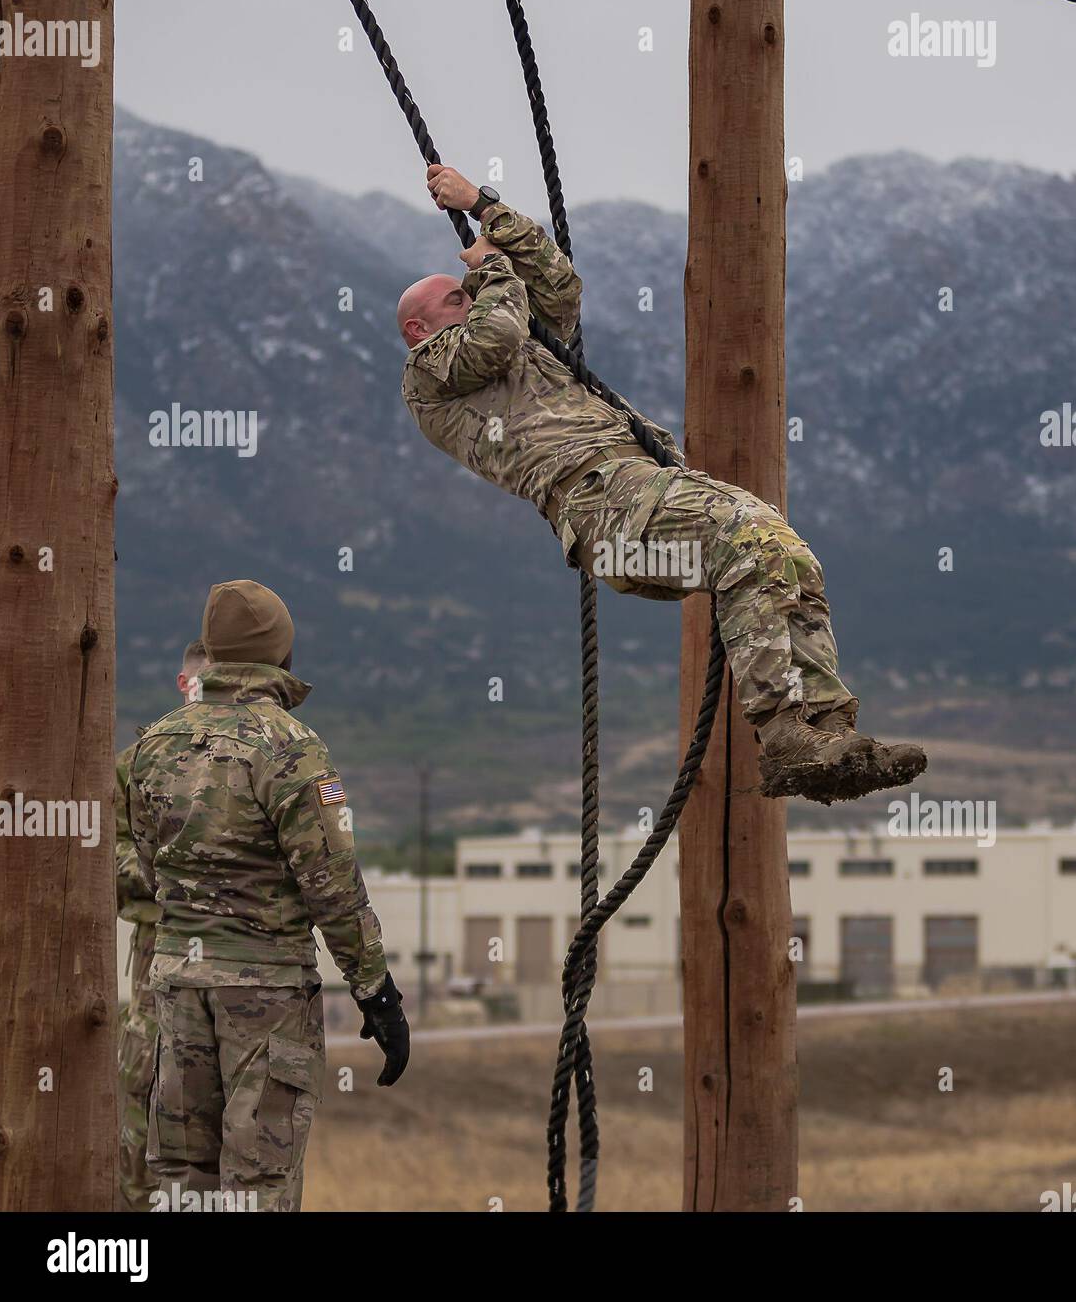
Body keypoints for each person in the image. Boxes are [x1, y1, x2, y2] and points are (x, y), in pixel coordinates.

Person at [397, 164, 927, 804]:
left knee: (775, 557)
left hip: (629, 521)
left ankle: (823, 736)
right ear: (418, 329)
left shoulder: (522, 344)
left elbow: (556, 285)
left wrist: (485, 205)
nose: (472, 298)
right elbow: (500, 323)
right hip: (605, 504)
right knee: (750, 529)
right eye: (455, 300)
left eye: (469, 293)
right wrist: (487, 270)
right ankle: (788, 732)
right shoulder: (433, 373)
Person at [128, 580, 408, 1211]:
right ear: (279, 653)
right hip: (266, 991)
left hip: (177, 981)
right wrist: (376, 992)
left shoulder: (156, 743)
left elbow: (150, 868)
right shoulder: (289, 747)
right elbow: (333, 886)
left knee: (180, 1181)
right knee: (258, 1182)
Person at [115, 637, 207, 1211]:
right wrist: (164, 877)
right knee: (143, 1085)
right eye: (201, 683)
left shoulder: (261, 757)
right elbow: (109, 845)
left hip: (233, 954)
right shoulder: (143, 758)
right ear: (183, 684)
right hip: (160, 948)